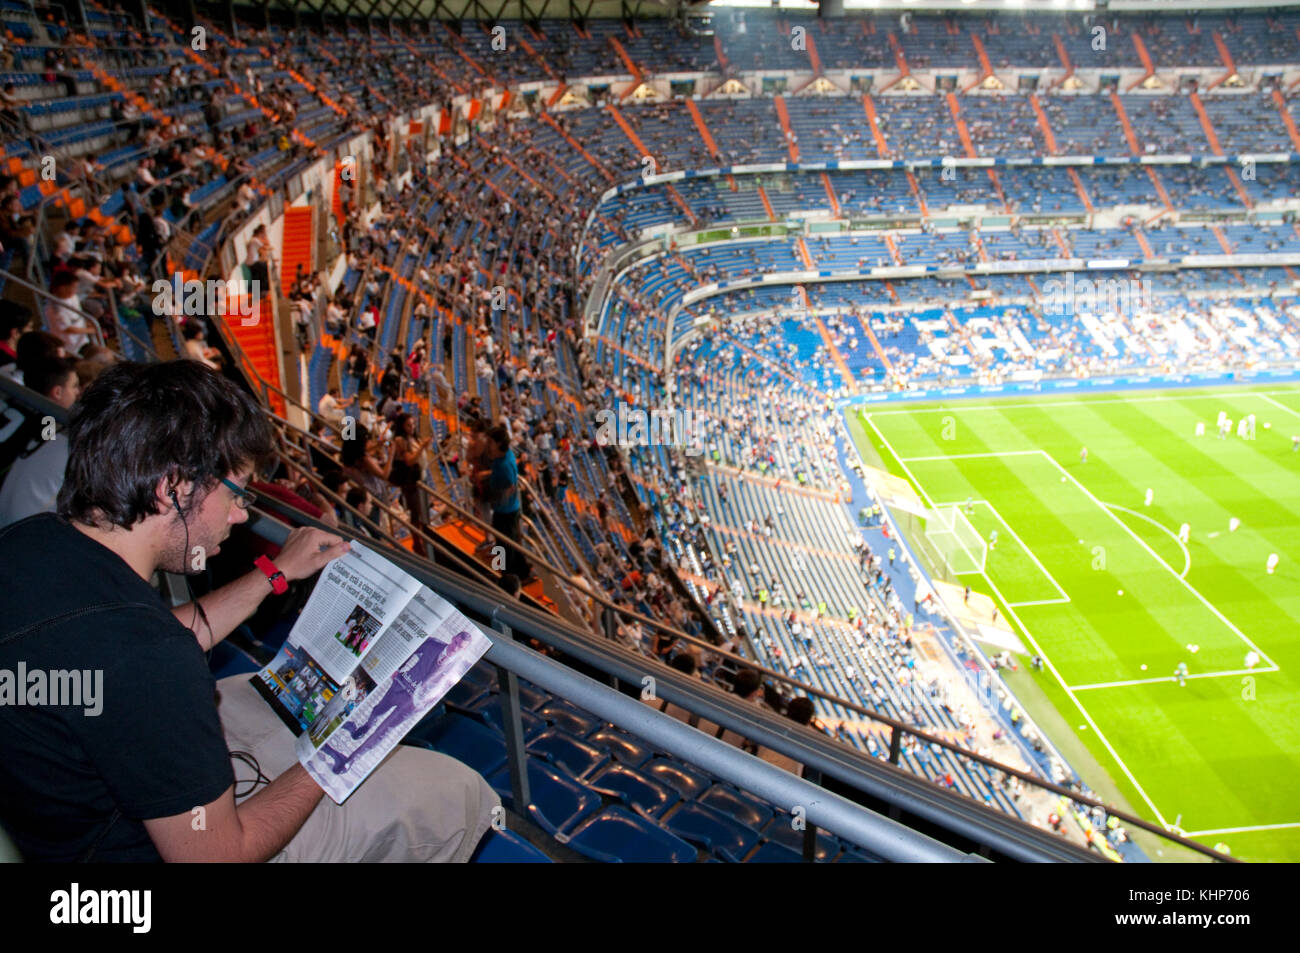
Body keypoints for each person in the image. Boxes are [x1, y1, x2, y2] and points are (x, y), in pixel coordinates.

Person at [0, 360, 498, 862]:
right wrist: (342, 749)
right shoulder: (151, 664)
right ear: (172, 487)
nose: (241, 515)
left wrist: (274, 573)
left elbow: (139, 643)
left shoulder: (32, 542)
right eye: (236, 493)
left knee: (245, 689)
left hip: (72, 814)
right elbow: (220, 858)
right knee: (455, 790)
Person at [0, 356, 81, 527]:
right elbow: (51, 459)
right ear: (57, 392)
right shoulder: (49, 423)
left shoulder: (21, 404)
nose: (77, 392)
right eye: (74, 386)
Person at [482, 424, 530, 582]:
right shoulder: (505, 456)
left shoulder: (503, 465)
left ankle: (507, 577)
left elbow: (511, 485)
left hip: (505, 512)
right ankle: (523, 572)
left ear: (497, 443)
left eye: (490, 443)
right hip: (510, 509)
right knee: (511, 542)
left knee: (504, 546)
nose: (487, 446)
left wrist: (497, 497)